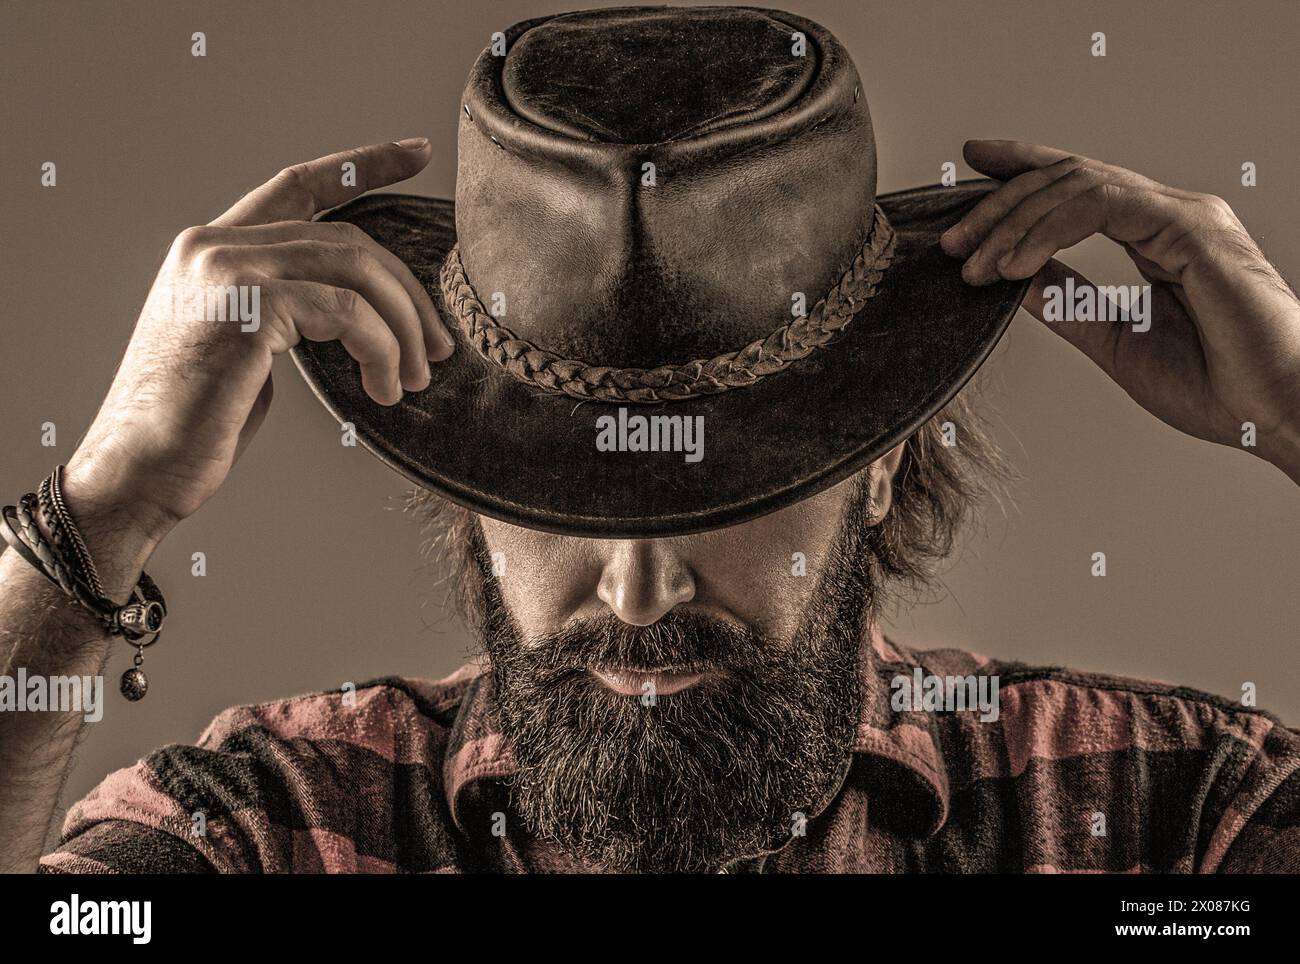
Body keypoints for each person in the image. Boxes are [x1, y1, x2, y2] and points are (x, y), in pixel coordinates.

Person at [2, 6, 1297, 874]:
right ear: (467, 476)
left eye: (724, 488)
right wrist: (105, 507)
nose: (636, 583)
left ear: (884, 451)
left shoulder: (1165, 819)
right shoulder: (271, 831)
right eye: (560, 491)